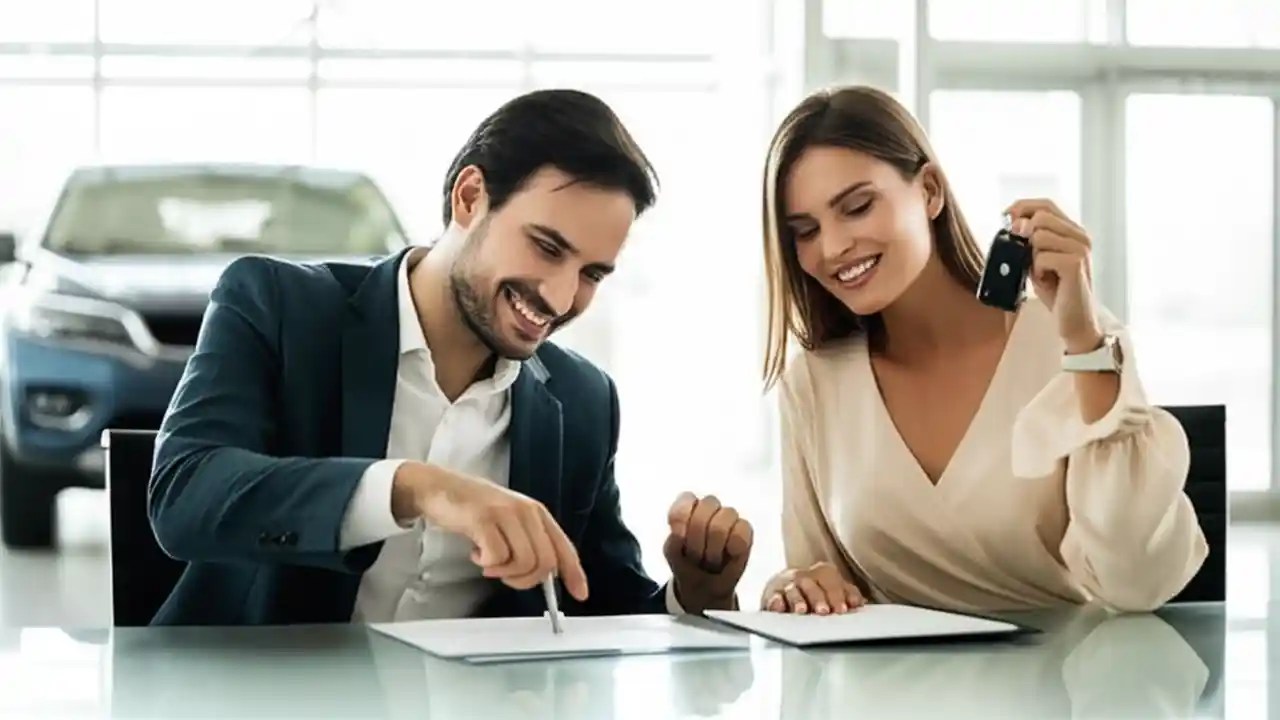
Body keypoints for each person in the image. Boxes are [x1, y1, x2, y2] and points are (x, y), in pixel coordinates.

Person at [148, 88, 754, 626]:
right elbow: (185, 495)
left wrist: (694, 594)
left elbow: (598, 605)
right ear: (470, 198)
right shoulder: (281, 307)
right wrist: (419, 488)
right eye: (547, 246)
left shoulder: (582, 401)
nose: (563, 297)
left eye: (591, 272)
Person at [757, 85, 1207, 616]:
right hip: (888, 696)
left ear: (929, 191)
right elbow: (821, 592)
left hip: (1069, 688)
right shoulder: (813, 383)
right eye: (805, 232)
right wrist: (792, 585)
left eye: (856, 207)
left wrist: (1084, 342)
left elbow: (1138, 581)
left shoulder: (1072, 343)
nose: (832, 248)